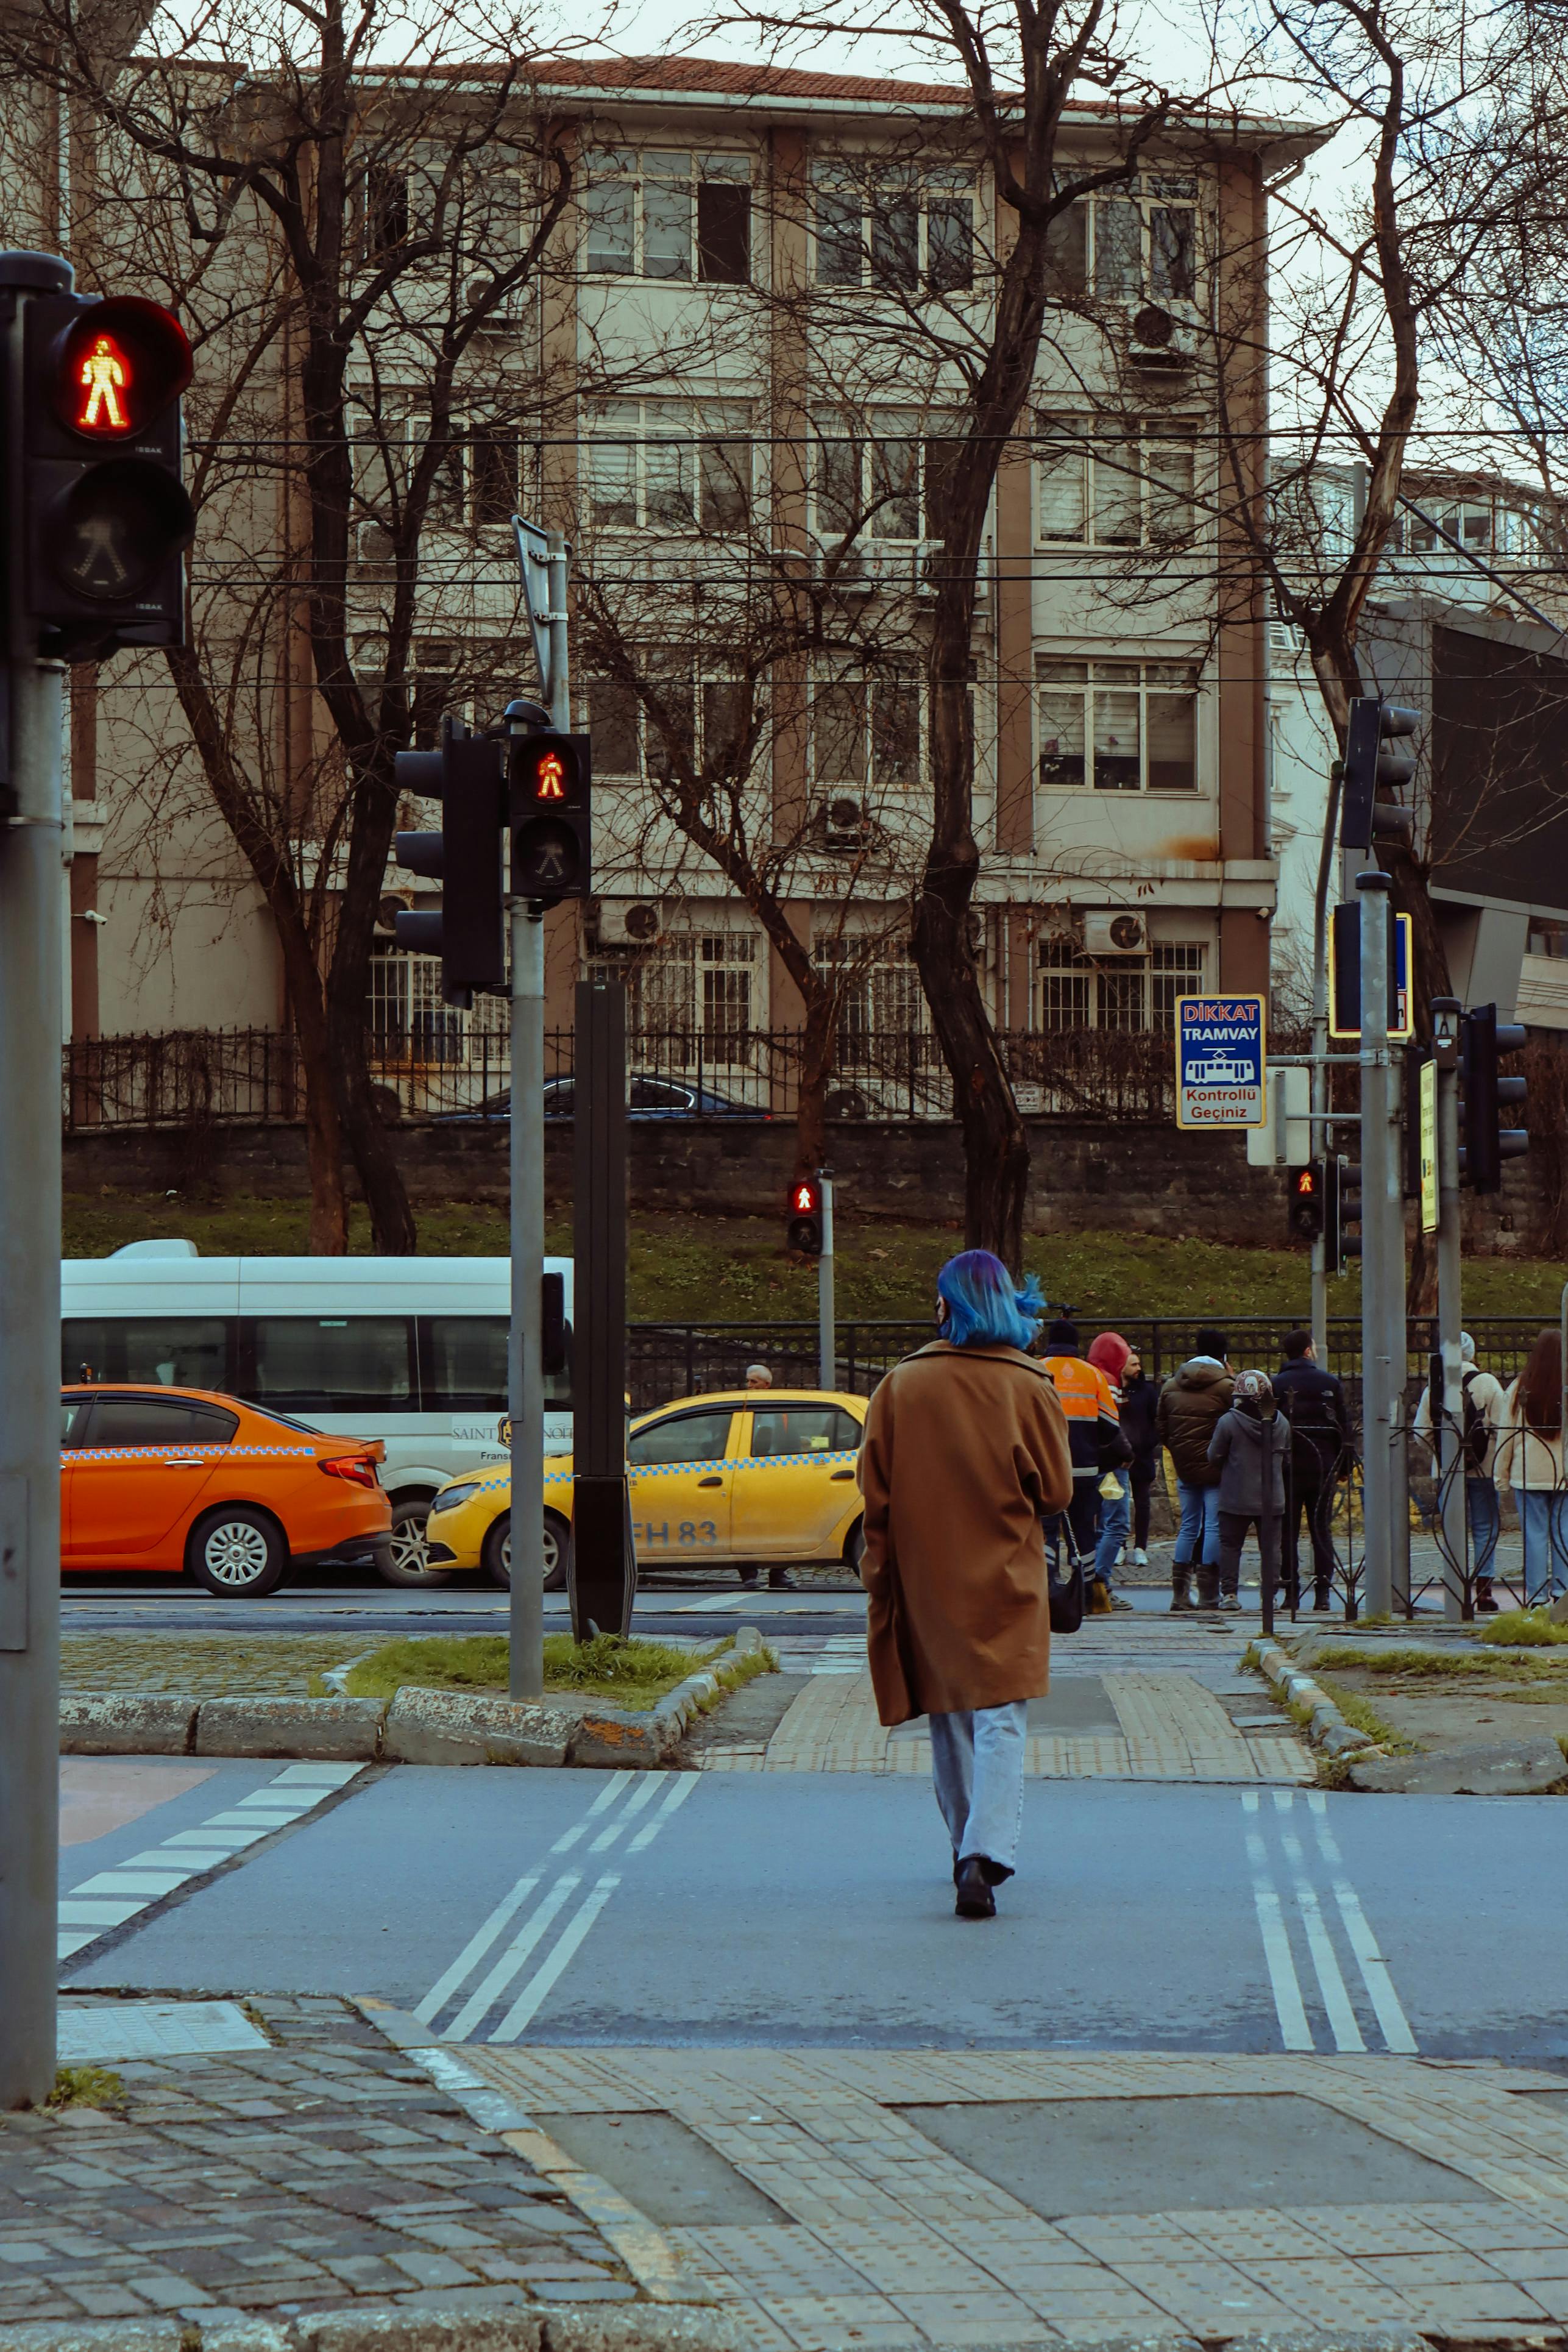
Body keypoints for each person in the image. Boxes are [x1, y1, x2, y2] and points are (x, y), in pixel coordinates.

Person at [857, 1250, 1072, 1920]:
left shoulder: (899, 1386)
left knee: (949, 1714)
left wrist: (879, 1575)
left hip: (927, 1576)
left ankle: (962, 1852)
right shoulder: (1030, 1384)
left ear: (948, 1306)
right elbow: (1058, 1489)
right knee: (1000, 1715)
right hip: (1006, 1572)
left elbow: (875, 1495)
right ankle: (984, 1851)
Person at [1413, 1333, 1506, 1613]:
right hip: (1484, 1469)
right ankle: (1484, 1588)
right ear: (1473, 1354)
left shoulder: (1435, 1387)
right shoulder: (1488, 1382)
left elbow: (1420, 1432)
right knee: (1485, 1527)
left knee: (1454, 1527)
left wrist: (1441, 1452)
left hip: (1448, 1470)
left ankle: (1456, 1585)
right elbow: (1503, 1427)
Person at [1040, 1320, 1127, 1608]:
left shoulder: (1036, 1370)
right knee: (1083, 1533)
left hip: (1045, 1471)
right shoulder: (1092, 1375)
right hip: (1084, 1471)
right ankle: (1087, 1595)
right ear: (1077, 1344)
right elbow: (1111, 1427)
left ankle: (1046, 1590)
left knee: (1046, 1532)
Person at [1273, 1329, 1350, 1613]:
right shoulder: (1329, 1382)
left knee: (1288, 1532)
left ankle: (1291, 1594)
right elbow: (1344, 1427)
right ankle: (1323, 1594)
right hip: (1323, 1465)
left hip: (1288, 1467)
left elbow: (1270, 1426)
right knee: (1321, 1530)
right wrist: (1344, 1467)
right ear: (1308, 1351)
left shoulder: (1278, 1384)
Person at [1157, 1329, 1233, 1611]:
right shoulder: (1226, 1386)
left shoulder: (1171, 1385)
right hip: (1217, 1465)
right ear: (1223, 1356)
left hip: (1185, 1466)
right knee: (1214, 1525)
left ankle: (1180, 1594)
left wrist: (1178, 1450)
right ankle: (1209, 1594)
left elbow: (1161, 1427)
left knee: (1189, 1525)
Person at [1207, 1370, 1290, 1613]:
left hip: (1235, 1495)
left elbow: (1214, 1456)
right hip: (1272, 1496)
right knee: (1271, 1549)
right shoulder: (1282, 1422)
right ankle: (1269, 1597)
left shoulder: (1229, 1422)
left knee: (1231, 1547)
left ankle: (1230, 1594)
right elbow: (1287, 1459)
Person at [1495, 1330, 1568, 1605]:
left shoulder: (1520, 1387)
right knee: (1564, 1533)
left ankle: (1536, 1596)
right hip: (1563, 1474)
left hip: (1528, 1474)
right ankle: (1563, 1595)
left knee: (1534, 1536)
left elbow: (1506, 1434)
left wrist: (1501, 1476)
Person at [1085, 1332, 1140, 1610]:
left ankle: (1088, 1582)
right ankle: (1101, 1583)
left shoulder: (1089, 1377)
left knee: (1096, 1527)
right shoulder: (1109, 1384)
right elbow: (1112, 1425)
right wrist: (1127, 1454)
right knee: (1117, 1524)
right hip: (1112, 1466)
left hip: (1089, 1462)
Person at [1113, 1343, 1161, 1572]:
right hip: (1118, 1456)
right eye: (1133, 1364)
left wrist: (1147, 1444)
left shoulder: (1147, 1391)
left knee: (1142, 1502)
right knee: (1116, 1502)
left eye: (1139, 1364)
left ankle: (1140, 1546)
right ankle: (1119, 1546)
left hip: (1141, 1455)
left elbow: (1156, 1421)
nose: (1138, 1368)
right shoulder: (1112, 1388)